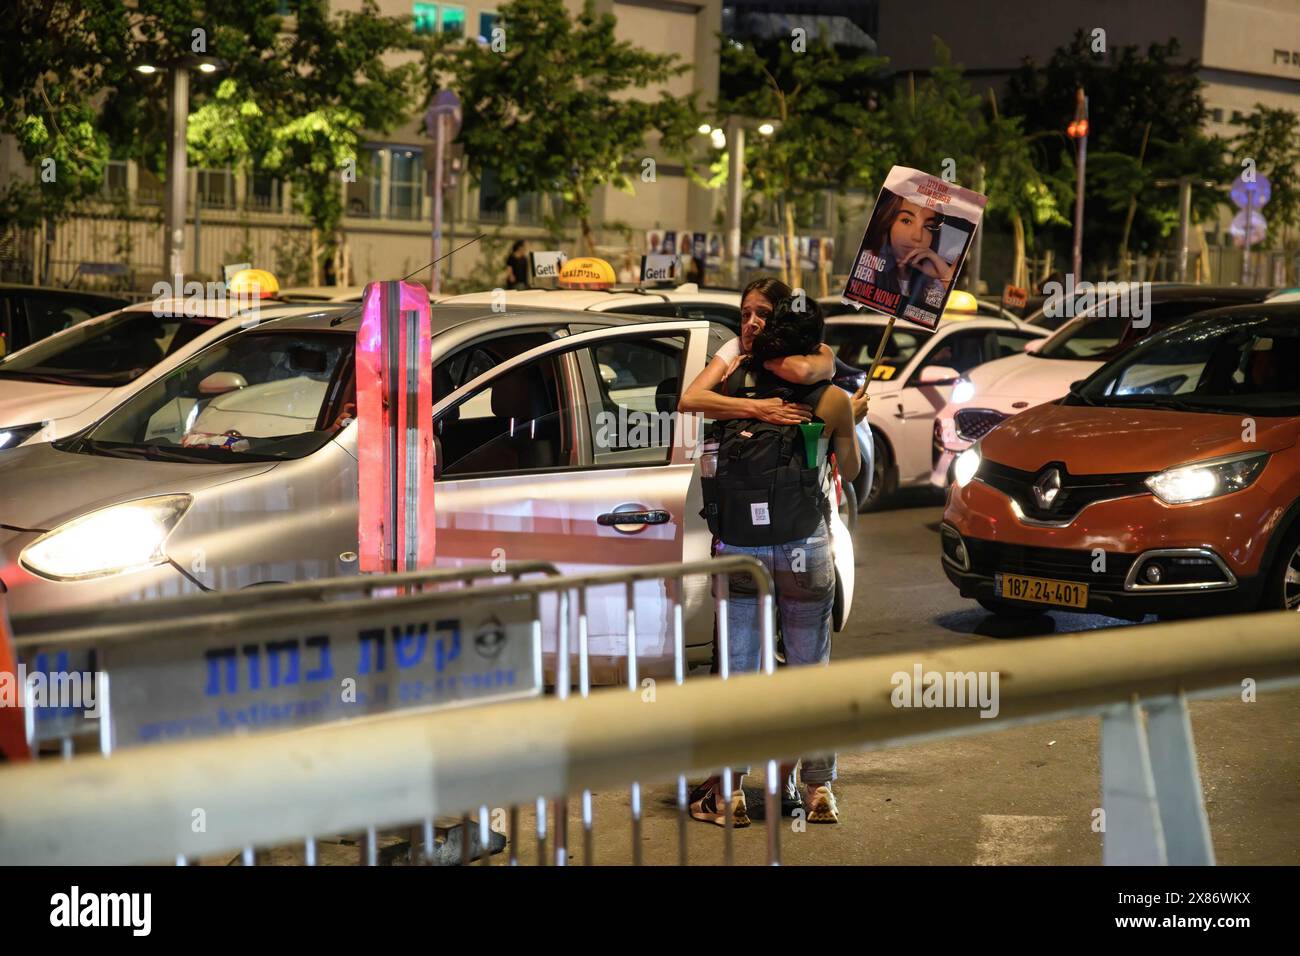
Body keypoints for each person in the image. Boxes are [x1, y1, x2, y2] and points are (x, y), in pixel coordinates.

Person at [688, 295, 862, 828]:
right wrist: (848, 423)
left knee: (740, 674)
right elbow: (851, 472)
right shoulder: (831, 398)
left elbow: (688, 402)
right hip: (804, 545)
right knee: (810, 673)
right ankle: (818, 791)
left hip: (741, 546)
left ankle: (731, 794)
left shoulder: (735, 387)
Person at [860, 189, 955, 309]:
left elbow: (941, 313)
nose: (917, 236)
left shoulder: (931, 281)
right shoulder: (867, 262)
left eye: (928, 226)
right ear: (889, 222)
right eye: (906, 221)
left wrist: (944, 273)